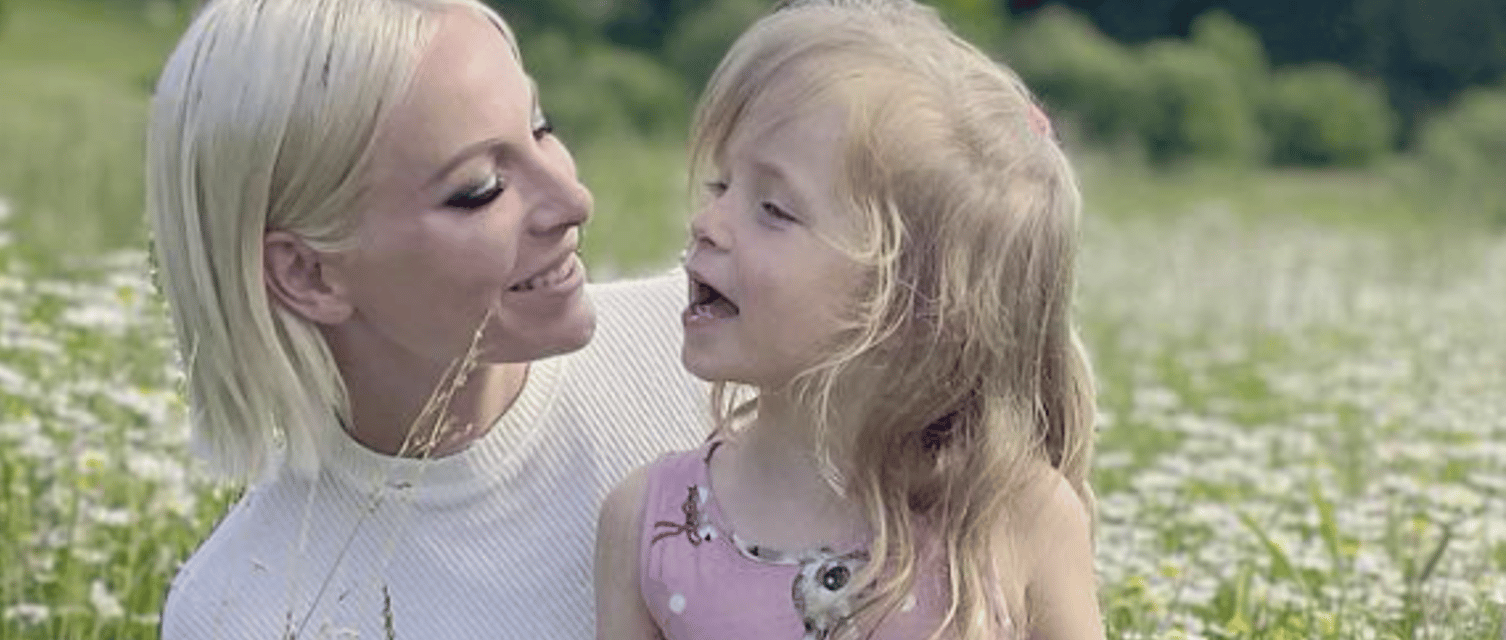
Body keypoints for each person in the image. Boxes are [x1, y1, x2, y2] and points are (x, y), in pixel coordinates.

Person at [146, 0, 710, 637]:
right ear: (307, 274)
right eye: (479, 188)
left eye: (541, 128)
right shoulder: (245, 613)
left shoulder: (729, 360)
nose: (573, 200)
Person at [594, 1, 1103, 638]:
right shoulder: (653, 523)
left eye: (773, 208)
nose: (707, 224)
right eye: (720, 187)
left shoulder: (1014, 519)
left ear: (909, 303)